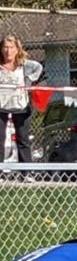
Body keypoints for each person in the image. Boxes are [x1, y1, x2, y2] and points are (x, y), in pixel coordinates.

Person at [0, 35, 43, 166]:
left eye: (11, 47)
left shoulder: (25, 65)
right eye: (5, 47)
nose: (8, 51)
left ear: (17, 49)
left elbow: (38, 67)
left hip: (21, 105)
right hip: (1, 106)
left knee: (23, 139)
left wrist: (29, 80)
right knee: (0, 139)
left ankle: (26, 172)